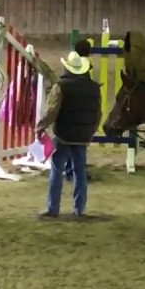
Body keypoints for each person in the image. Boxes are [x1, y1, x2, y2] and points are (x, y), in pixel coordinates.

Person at [36, 50, 101, 219]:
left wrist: (41, 126)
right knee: (80, 172)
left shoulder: (61, 87)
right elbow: (98, 114)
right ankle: (79, 209)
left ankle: (53, 207)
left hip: (64, 134)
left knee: (57, 171)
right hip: (82, 137)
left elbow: (52, 111)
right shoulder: (94, 88)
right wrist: (91, 132)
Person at [62, 38, 95, 183]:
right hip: (81, 112)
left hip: (68, 113)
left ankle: (69, 170)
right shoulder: (85, 68)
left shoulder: (70, 65)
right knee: (78, 148)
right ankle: (72, 171)